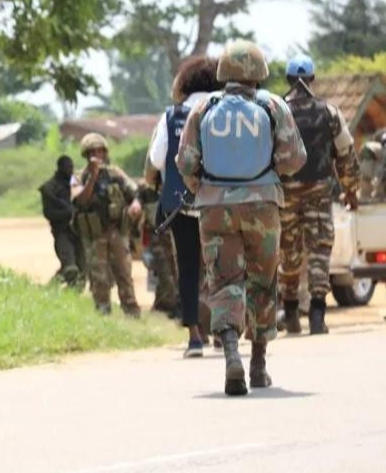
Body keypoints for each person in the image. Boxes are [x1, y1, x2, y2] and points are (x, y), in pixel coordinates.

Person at [176, 40, 306, 396]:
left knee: (223, 281)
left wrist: (203, 188)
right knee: (263, 282)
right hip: (262, 205)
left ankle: (231, 353)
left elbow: (185, 162)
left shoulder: (203, 108)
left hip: (214, 209)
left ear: (224, 73)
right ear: (259, 73)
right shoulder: (273, 105)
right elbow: (294, 158)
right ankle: (259, 364)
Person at [146, 55, 224, 356]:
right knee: (220, 266)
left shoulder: (172, 115)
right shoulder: (224, 110)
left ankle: (194, 336)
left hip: (180, 204)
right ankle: (222, 331)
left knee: (189, 267)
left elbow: (155, 159)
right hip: (218, 201)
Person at [278, 55, 359, 335]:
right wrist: (351, 189)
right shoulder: (329, 112)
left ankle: (289, 313)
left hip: (285, 194)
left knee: (288, 252)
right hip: (320, 193)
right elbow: (346, 153)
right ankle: (316, 314)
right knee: (319, 252)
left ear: (288, 80)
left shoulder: (278, 112)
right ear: (312, 79)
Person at [72, 133, 143, 317]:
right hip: (94, 235)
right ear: (86, 155)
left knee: (124, 272)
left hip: (116, 231)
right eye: (93, 152)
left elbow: (134, 191)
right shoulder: (79, 177)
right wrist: (92, 178)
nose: (97, 155)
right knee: (99, 275)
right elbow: (80, 199)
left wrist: (136, 204)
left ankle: (131, 310)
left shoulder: (115, 173)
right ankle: (103, 310)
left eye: (100, 151)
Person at [40, 156, 85, 291]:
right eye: (67, 167)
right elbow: (48, 213)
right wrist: (68, 212)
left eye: (71, 167)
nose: (70, 170)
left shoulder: (76, 185)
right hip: (62, 232)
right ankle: (50, 289)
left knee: (83, 270)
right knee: (70, 268)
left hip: (79, 232)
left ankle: (71, 296)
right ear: (60, 168)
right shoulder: (50, 189)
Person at [137, 180, 180, 318]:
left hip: (176, 237)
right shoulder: (146, 191)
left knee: (177, 271)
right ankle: (172, 305)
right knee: (164, 272)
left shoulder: (179, 185)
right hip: (158, 241)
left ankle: (166, 303)